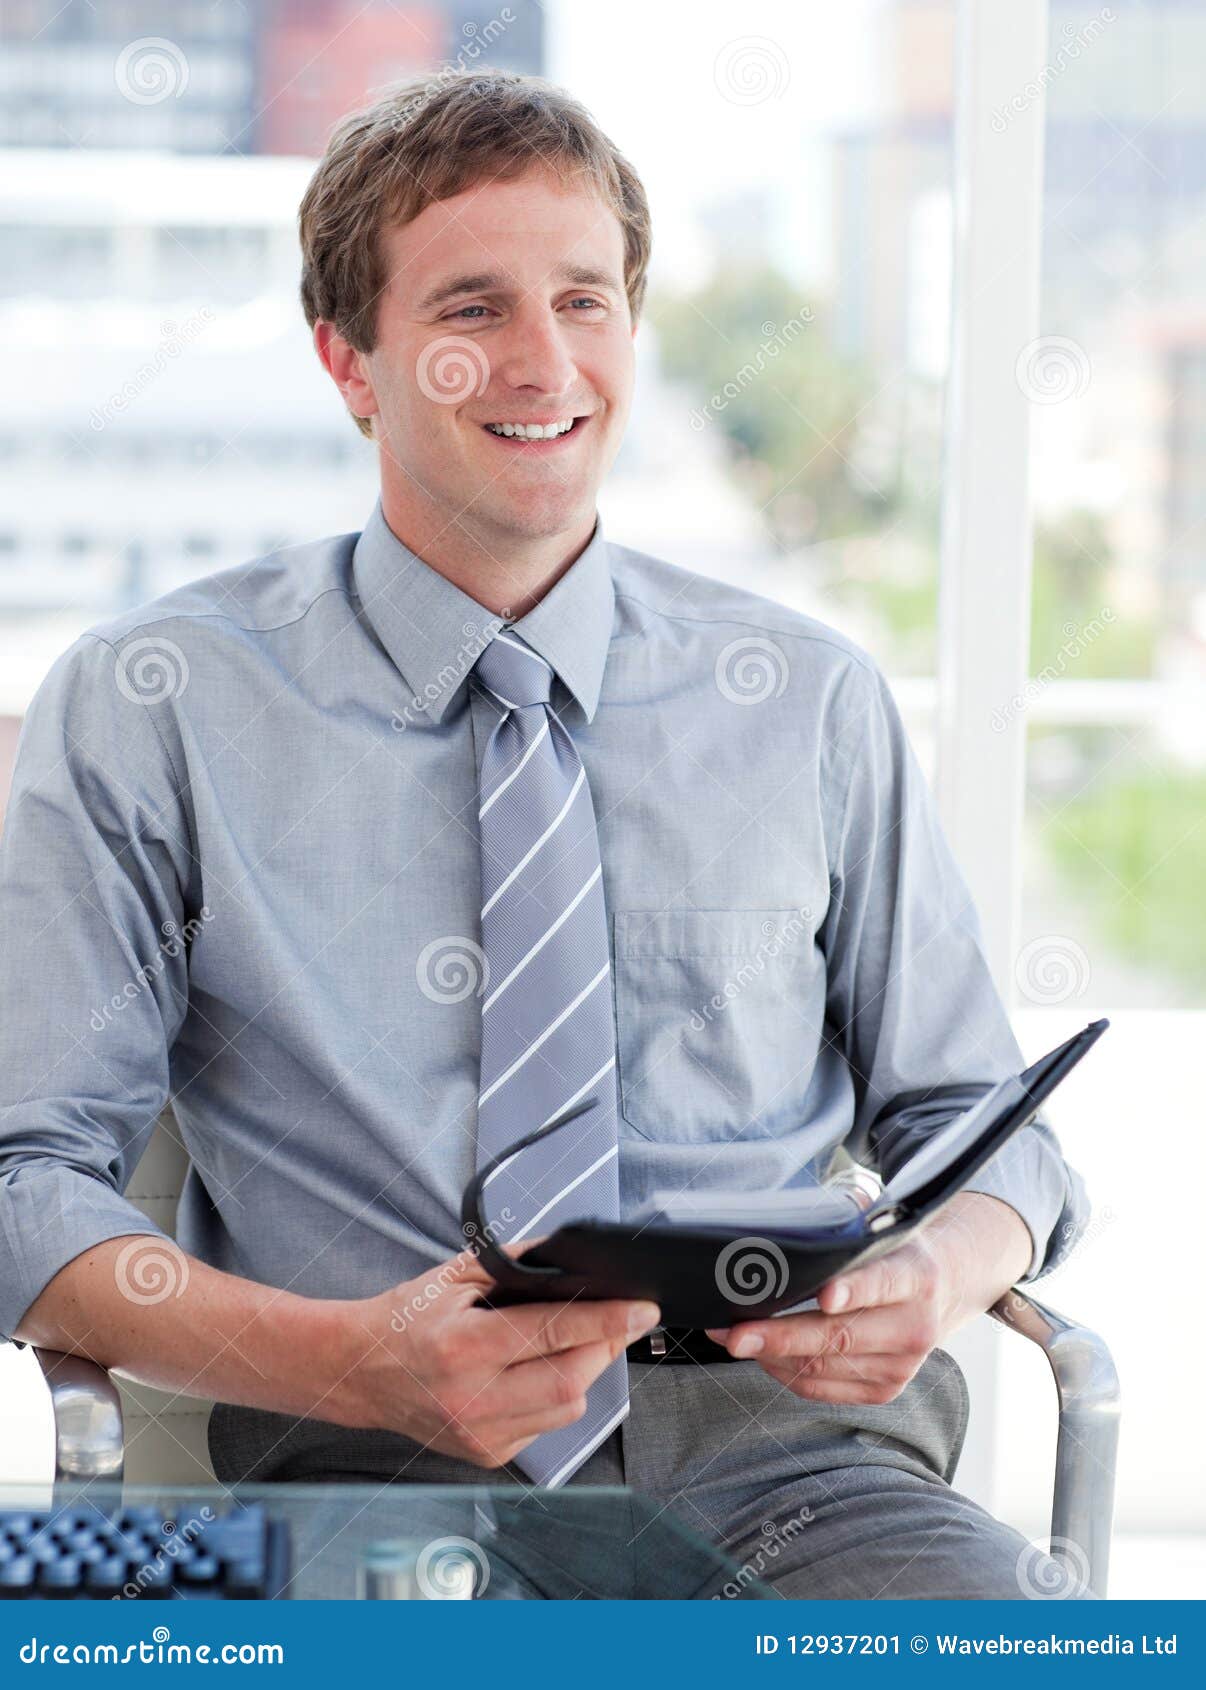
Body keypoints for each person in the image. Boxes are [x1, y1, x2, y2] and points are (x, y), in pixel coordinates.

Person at [0, 72, 1091, 1599]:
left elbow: (990, 1127)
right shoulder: (155, 703)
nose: (543, 361)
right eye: (473, 307)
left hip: (801, 1469)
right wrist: (356, 1361)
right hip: (356, 1471)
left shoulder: (807, 703)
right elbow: (21, 1178)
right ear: (350, 361)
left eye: (584, 300)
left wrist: (942, 1267)